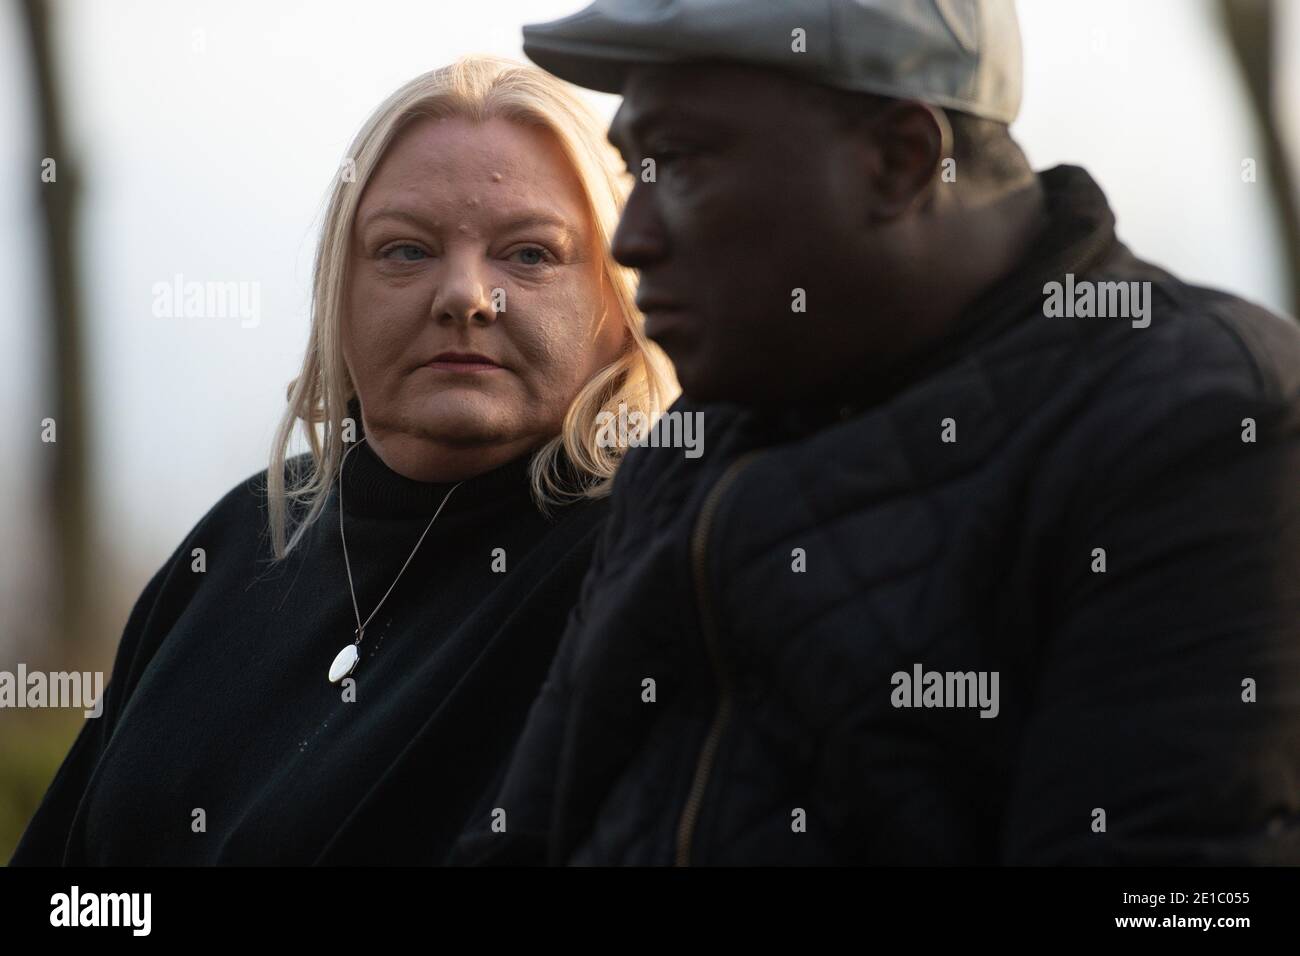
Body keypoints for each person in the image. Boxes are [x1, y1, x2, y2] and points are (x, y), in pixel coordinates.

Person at [454, 0, 1300, 864]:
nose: (629, 240)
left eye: (683, 161)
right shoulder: (695, 437)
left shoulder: (1207, 423)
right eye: (636, 169)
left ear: (901, 162)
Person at [10, 54, 675, 865]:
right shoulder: (239, 542)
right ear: (338, 291)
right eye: (405, 251)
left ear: (620, 302)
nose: (465, 295)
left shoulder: (638, 565)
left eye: (529, 254)